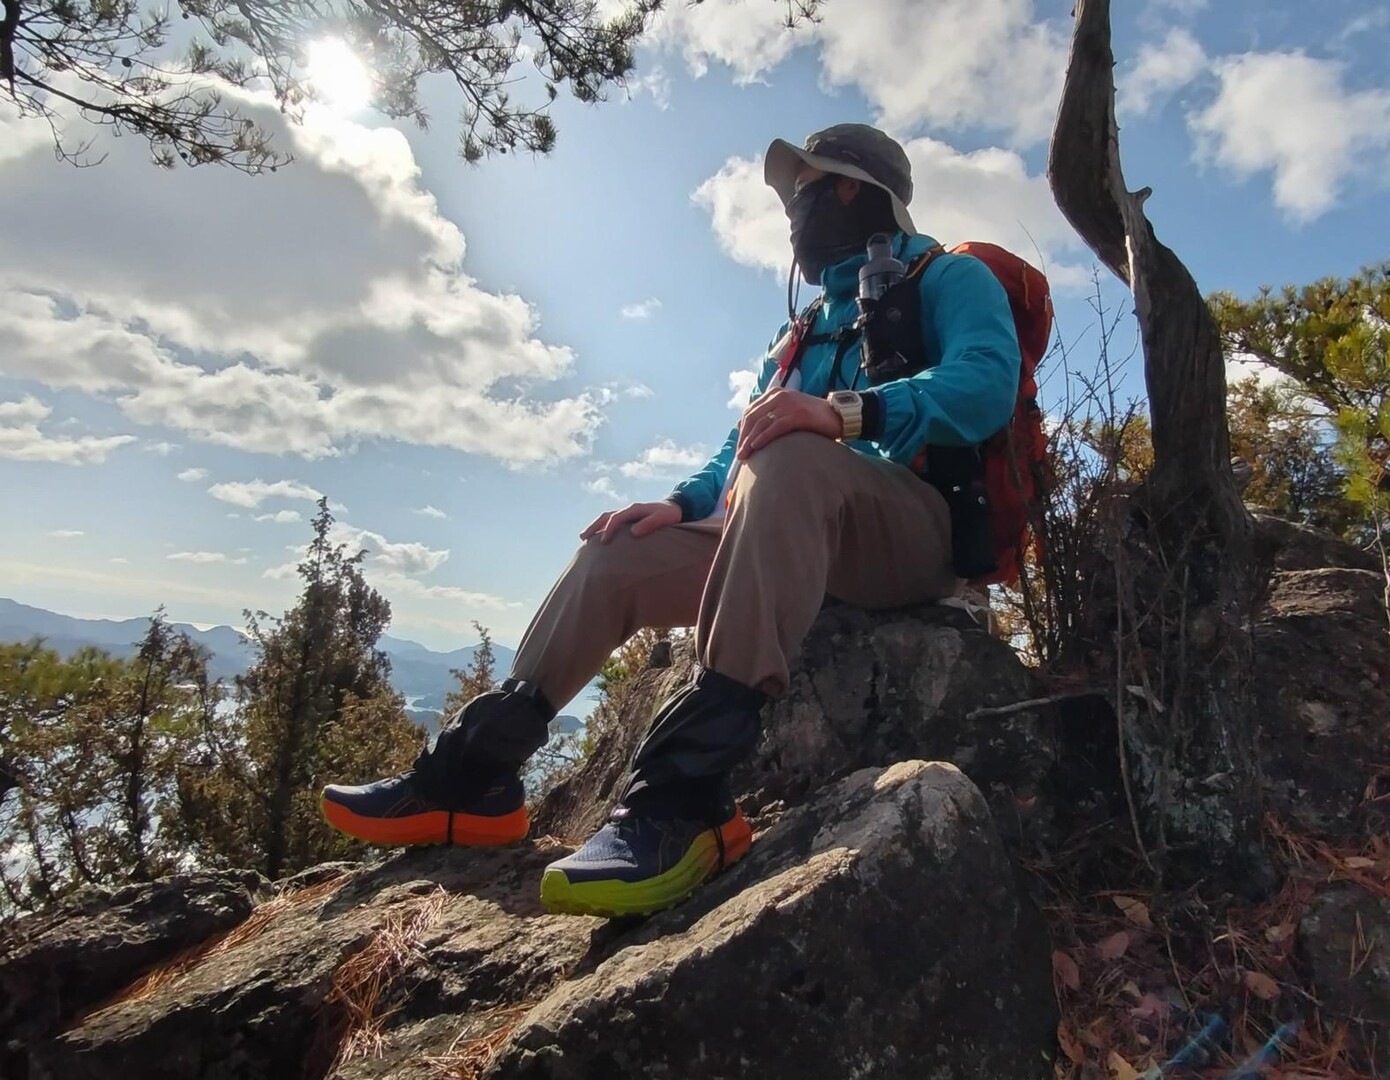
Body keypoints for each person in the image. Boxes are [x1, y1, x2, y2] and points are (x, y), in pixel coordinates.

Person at [321, 123, 1022, 918]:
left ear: (852, 190)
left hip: (912, 536)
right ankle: (473, 778)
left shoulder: (947, 277)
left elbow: (986, 383)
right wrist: (682, 504)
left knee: (793, 455)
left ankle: (683, 801)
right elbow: (742, 445)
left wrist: (847, 413)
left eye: (804, 191)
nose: (793, 213)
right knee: (619, 548)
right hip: (793, 531)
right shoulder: (798, 332)